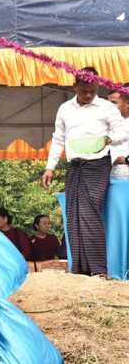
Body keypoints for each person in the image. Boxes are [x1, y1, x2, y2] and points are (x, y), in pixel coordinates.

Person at [41, 67, 128, 278]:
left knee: (88, 213)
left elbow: (123, 132)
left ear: (97, 87)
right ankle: (80, 270)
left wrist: (107, 140)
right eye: (84, 91)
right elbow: (58, 139)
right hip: (74, 165)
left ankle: (99, 270)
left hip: (98, 164)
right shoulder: (64, 109)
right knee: (74, 216)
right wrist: (49, 168)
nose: (89, 95)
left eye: (92, 91)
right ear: (74, 87)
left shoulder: (107, 108)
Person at [106, 85, 129, 168]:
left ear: (127, 103)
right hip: (108, 176)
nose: (109, 107)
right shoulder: (107, 125)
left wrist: (126, 160)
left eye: (114, 103)